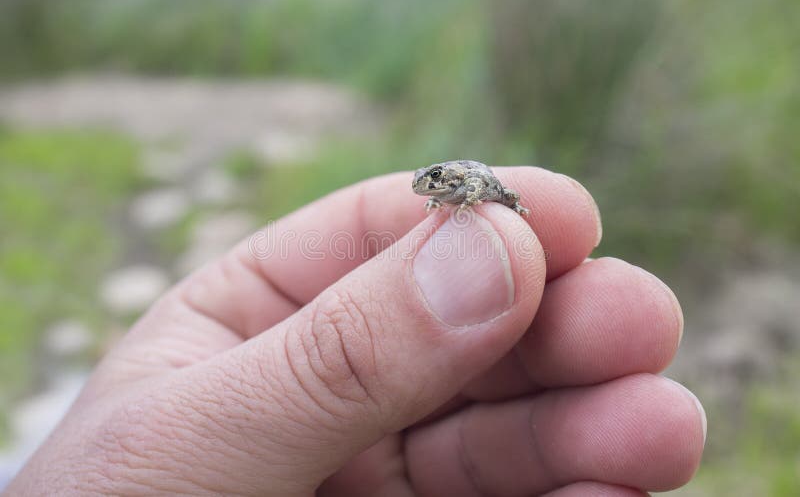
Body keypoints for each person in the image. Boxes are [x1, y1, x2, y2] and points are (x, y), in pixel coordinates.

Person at [7, 167, 705, 496]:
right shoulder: (439, 193)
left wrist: (472, 210)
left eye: (433, 189)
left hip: (492, 194)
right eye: (432, 190)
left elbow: (469, 189)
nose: (429, 193)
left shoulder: (459, 189)